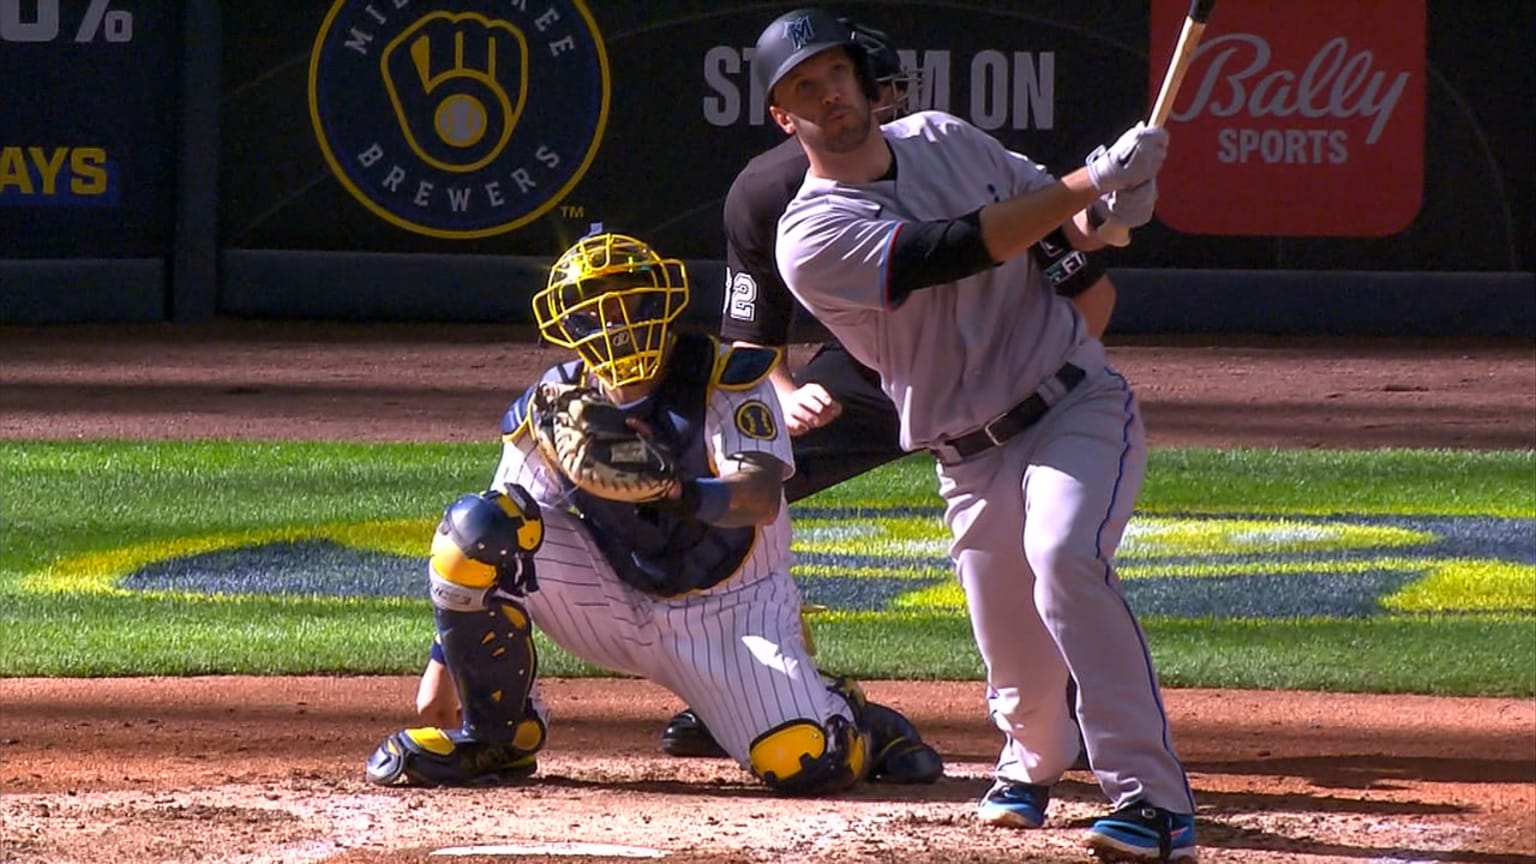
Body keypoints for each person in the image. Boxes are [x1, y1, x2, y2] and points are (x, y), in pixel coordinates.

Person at [754, 8, 1197, 862]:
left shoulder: (945, 135)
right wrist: (1090, 180)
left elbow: (1056, 229)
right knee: (1012, 648)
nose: (827, 95)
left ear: (859, 80)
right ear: (784, 116)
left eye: (834, 75)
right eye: (803, 88)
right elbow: (956, 247)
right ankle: (1032, 762)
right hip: (966, 448)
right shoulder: (808, 236)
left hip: (1073, 403)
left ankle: (1153, 801)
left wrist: (1115, 211)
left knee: (1067, 559)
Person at [661, 18, 1123, 763]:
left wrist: (1041, 385)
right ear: (788, 113)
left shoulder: (952, 150)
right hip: (868, 379)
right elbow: (753, 336)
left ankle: (1060, 708)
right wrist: (781, 391)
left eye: (858, 82)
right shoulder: (772, 194)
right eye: (811, 87)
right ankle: (749, 691)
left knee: (1050, 547)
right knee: (733, 495)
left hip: (998, 372)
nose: (880, 103)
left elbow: (1084, 288)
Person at [366, 230, 944, 795]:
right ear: (569, 324)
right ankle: (497, 735)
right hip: (610, 596)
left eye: (630, 299)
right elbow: (499, 528)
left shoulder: (726, 377)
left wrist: (674, 492)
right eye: (600, 310)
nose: (618, 321)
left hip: (732, 608)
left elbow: (758, 497)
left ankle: (850, 715)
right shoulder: (557, 402)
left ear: (661, 300)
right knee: (476, 527)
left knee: (803, 760)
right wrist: (443, 665)